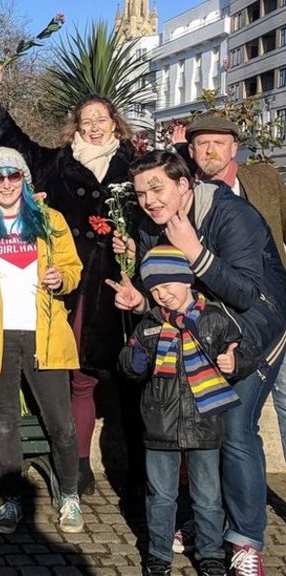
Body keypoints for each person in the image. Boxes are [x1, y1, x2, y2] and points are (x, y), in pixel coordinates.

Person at [110, 151, 286, 574]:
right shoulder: (150, 223)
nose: (149, 200)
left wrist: (195, 251)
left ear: (184, 185)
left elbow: (247, 294)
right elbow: (163, 282)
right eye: (141, 192)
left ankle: (245, 540)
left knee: (236, 429)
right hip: (198, 331)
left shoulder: (231, 217)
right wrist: (140, 300)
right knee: (198, 429)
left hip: (255, 329)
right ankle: (208, 519)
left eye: (158, 188)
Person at [0, 64, 139, 494]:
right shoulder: (58, 163)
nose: (93, 126)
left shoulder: (137, 164)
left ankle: (139, 468)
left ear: (114, 123)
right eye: (85, 120)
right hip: (76, 283)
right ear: (76, 126)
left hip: (128, 282)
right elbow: (13, 150)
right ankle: (80, 467)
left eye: (100, 119)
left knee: (133, 374)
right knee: (81, 376)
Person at [0, 147, 85, 534]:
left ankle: (70, 496)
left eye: (14, 175)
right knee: (6, 424)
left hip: (44, 334)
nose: (7, 183)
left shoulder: (50, 220)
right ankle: (12, 501)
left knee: (61, 423)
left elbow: (74, 269)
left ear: (25, 180)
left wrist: (62, 278)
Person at [118, 246, 253, 576]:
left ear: (187, 280)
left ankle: (210, 553)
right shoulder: (148, 325)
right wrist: (131, 361)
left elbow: (247, 352)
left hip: (205, 421)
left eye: (168, 285)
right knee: (160, 496)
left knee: (207, 497)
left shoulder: (215, 320)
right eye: (155, 290)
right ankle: (159, 554)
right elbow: (131, 368)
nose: (163, 295)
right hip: (159, 423)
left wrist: (235, 362)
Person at [173, 114, 286, 471]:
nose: (211, 150)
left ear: (234, 147)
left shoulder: (264, 180)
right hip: (221, 322)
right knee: (234, 422)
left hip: (274, 312)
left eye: (219, 143)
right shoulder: (183, 192)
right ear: (190, 150)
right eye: (202, 143)